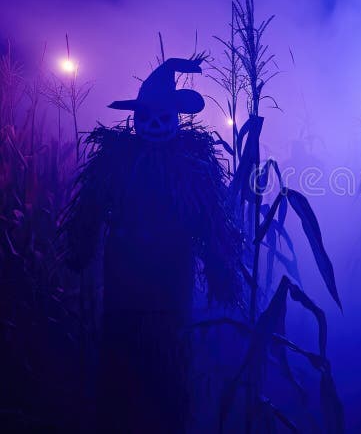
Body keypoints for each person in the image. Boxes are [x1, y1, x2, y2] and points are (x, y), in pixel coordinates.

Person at [61, 57, 241, 433]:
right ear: (135, 118)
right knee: (121, 352)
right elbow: (91, 207)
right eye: (148, 117)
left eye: (163, 117)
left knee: (168, 356)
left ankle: (165, 418)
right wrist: (80, 246)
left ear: (175, 118)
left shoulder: (191, 167)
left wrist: (220, 270)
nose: (156, 125)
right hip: (124, 272)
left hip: (169, 276)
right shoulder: (116, 162)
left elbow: (210, 225)